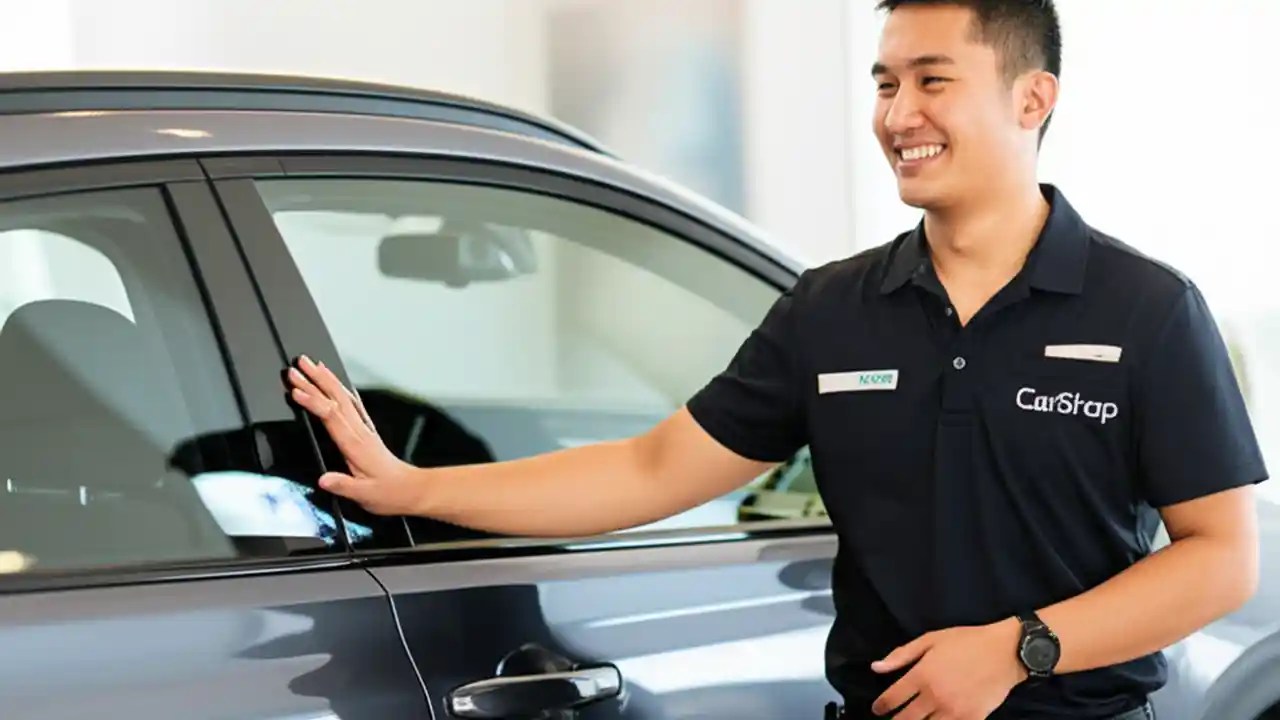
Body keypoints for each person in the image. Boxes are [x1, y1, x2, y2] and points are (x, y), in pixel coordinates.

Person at [285, 1, 1269, 717]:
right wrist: (415, 487)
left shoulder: (1142, 308)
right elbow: (650, 469)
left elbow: (1219, 560)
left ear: (1030, 98)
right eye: (883, 84)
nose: (896, 115)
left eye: (932, 80)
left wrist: (1017, 651)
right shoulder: (833, 310)